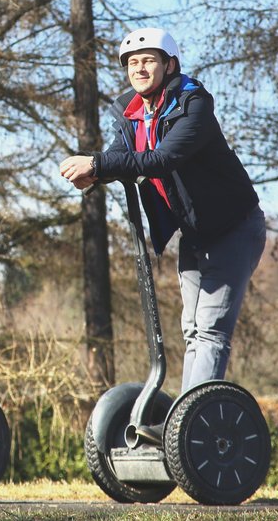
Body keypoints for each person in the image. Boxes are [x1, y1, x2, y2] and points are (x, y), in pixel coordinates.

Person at [58, 26, 265, 393]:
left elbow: (162, 159)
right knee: (192, 329)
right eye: (132, 63)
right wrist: (96, 174)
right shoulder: (131, 112)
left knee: (212, 329)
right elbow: (122, 157)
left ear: (169, 66)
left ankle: (191, 415)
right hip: (196, 232)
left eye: (148, 61)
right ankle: (186, 416)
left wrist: (97, 164)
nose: (139, 69)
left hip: (236, 228)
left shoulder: (193, 103)